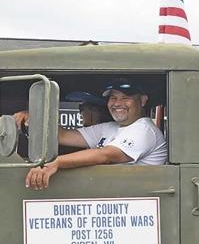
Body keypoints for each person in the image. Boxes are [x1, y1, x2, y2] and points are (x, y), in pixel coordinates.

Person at [15, 81, 169, 190]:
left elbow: (106, 155)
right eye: (113, 98)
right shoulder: (110, 128)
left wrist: (56, 163)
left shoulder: (144, 130)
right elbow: (64, 135)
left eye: (125, 98)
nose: (117, 103)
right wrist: (33, 118)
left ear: (142, 101)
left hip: (134, 203)